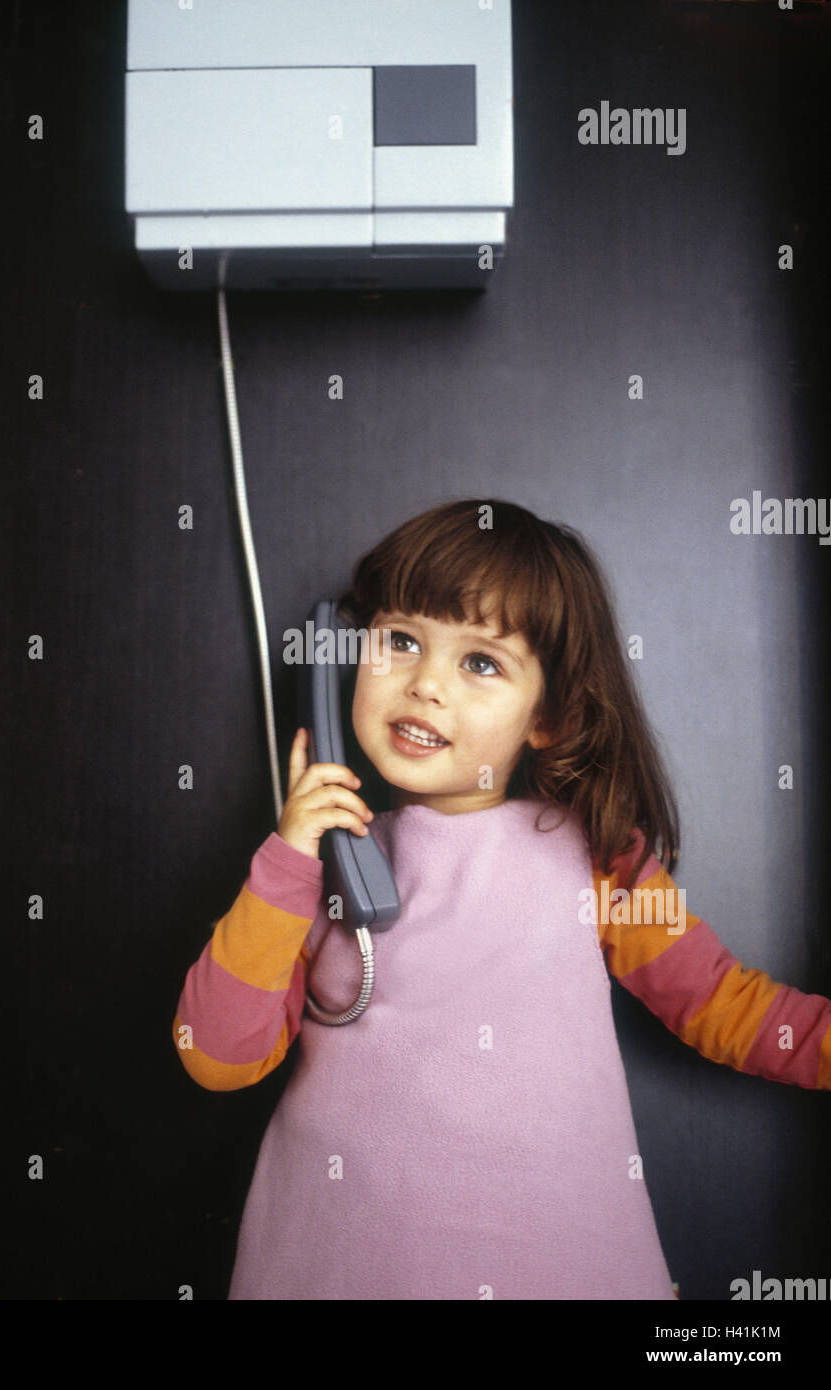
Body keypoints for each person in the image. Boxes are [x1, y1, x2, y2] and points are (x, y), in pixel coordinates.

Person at [173, 498, 831, 1300]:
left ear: (548, 717)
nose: (424, 685)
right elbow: (214, 1057)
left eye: (479, 663)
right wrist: (287, 862)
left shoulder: (596, 859)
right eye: (401, 642)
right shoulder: (317, 877)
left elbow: (725, 1006)